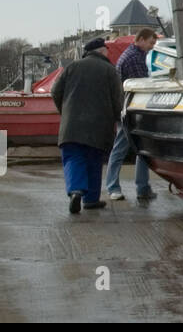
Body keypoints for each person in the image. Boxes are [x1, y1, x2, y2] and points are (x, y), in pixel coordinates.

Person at [51, 38, 123, 214]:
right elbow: (118, 100)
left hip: (71, 125)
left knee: (73, 157)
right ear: (101, 51)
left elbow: (55, 91)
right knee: (93, 160)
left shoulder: (72, 67)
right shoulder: (110, 70)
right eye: (106, 49)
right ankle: (91, 199)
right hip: (99, 127)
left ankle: (75, 190)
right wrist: (116, 119)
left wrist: (65, 111)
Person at [105, 29, 159, 201]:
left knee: (132, 149)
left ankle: (140, 187)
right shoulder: (135, 58)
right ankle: (121, 187)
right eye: (150, 43)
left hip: (126, 109)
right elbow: (142, 84)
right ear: (141, 40)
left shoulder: (128, 55)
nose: (151, 47)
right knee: (130, 149)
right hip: (131, 111)